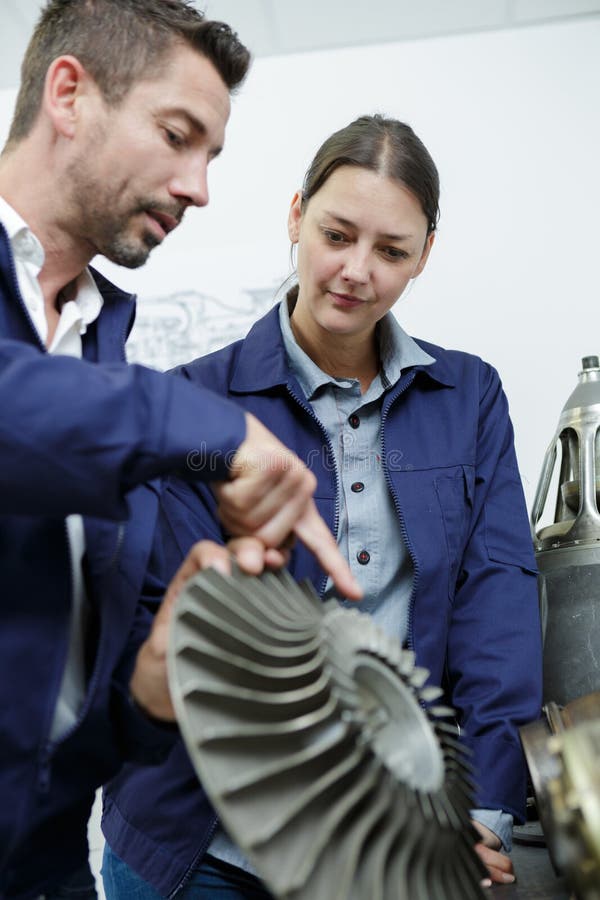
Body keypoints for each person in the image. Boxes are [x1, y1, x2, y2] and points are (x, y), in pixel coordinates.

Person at [101, 113, 542, 896]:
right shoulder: (194, 406)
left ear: (425, 255)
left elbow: (496, 606)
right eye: (337, 235)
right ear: (296, 215)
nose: (356, 271)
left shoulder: (469, 397)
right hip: (201, 845)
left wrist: (482, 810)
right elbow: (196, 638)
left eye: (392, 251)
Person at [0, 3, 360, 898]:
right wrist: (218, 430)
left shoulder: (100, 350)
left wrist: (153, 690)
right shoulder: (149, 407)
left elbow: (67, 709)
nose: (199, 187)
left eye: (213, 156)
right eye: (176, 136)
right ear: (69, 95)